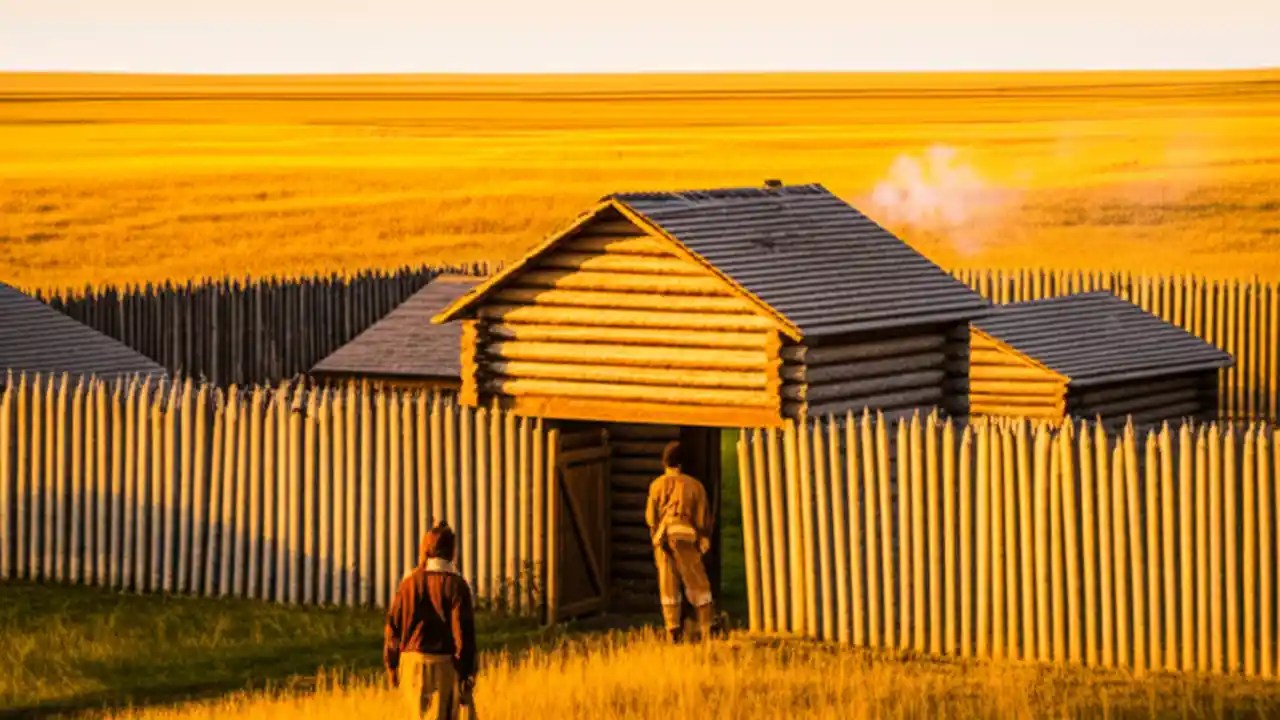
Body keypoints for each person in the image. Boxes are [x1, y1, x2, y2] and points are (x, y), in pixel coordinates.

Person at [384, 522, 478, 720]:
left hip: (412, 666)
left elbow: (393, 627)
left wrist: (392, 666)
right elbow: (463, 633)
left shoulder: (409, 583)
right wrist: (466, 673)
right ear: (451, 551)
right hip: (445, 666)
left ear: (426, 549)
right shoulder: (457, 585)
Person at [645, 440, 716, 643]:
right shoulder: (695, 486)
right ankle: (706, 629)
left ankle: (672, 630)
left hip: (663, 539)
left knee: (668, 585)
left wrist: (656, 535)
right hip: (686, 538)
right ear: (682, 464)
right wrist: (703, 536)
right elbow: (702, 518)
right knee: (698, 583)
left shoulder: (656, 485)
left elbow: (651, 517)